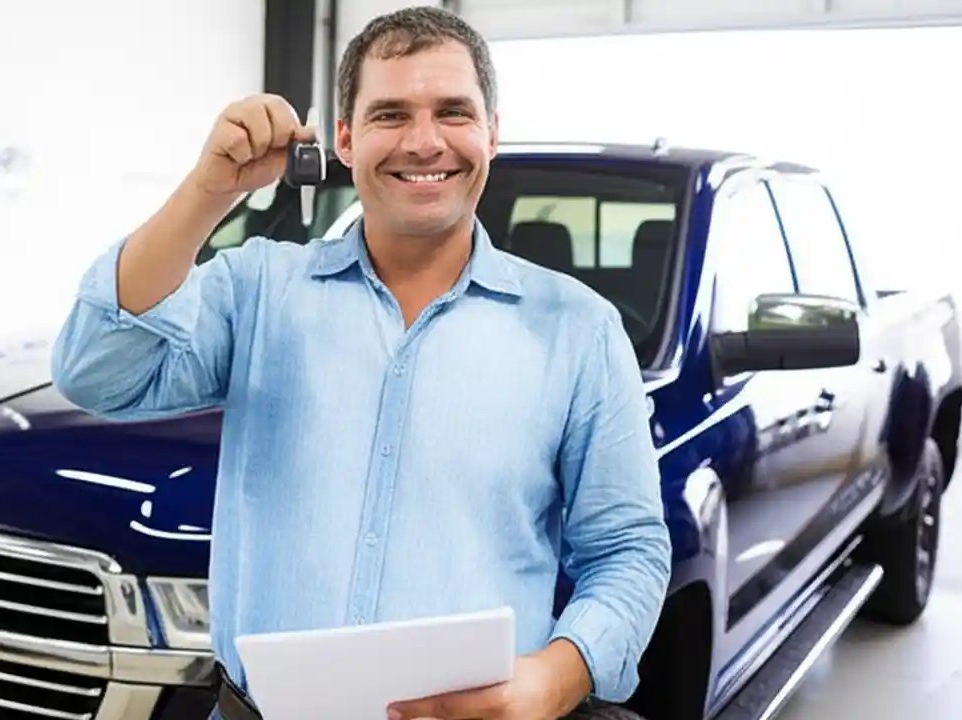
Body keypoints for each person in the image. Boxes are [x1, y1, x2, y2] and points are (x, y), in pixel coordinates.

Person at [51, 6, 671, 719]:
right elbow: (97, 369)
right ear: (344, 138)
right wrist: (208, 193)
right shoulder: (258, 290)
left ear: (492, 133)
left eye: (453, 111)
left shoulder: (578, 331)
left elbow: (627, 550)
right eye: (390, 115)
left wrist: (555, 679)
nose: (424, 140)